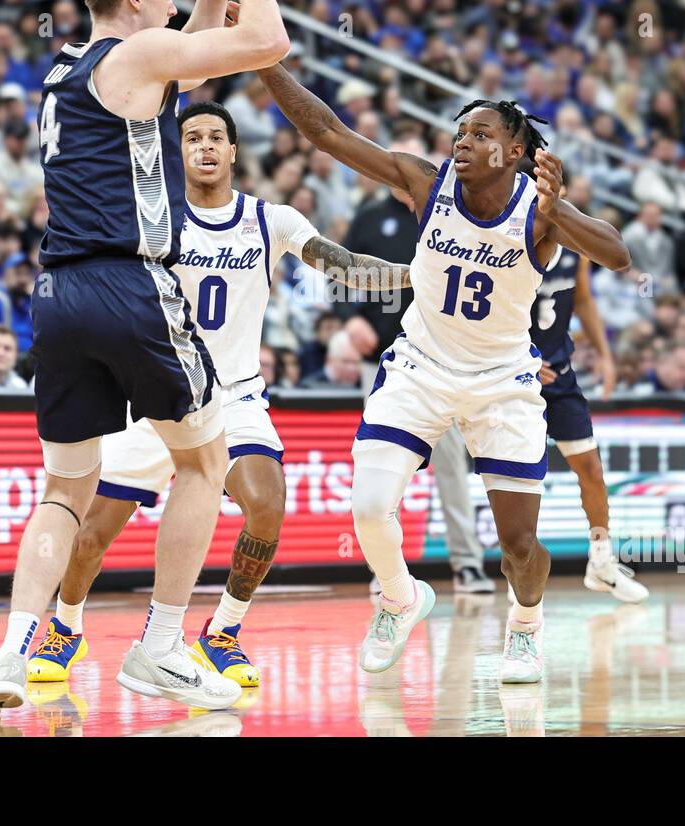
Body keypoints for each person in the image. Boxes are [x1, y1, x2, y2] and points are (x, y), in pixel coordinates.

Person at [0, 0, 292, 715]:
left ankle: (6, 655)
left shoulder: (70, 68)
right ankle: (162, 646)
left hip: (59, 295)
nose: (177, 2)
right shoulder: (135, 55)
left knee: (66, 490)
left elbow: (195, 64)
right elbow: (267, 41)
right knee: (204, 463)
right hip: (131, 282)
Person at [258, 55, 630, 685]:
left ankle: (525, 627)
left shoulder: (538, 212)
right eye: (461, 131)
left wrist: (560, 208)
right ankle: (401, 599)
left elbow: (618, 254)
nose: (464, 140)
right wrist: (265, 64)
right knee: (370, 506)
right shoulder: (426, 183)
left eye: (482, 134)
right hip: (420, 367)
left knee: (518, 549)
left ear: (514, 151)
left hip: (503, 382)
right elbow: (326, 132)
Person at [27, 101, 409, 689]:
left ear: (233, 151)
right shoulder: (149, 218)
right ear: (175, 153)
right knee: (92, 535)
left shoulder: (270, 219)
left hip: (233, 396)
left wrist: (417, 273)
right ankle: (67, 626)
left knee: (267, 502)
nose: (204, 146)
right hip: (153, 395)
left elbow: (347, 266)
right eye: (191, 137)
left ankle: (222, 632)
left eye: (215, 137)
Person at [534, 245, 649, 603]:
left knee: (591, 470)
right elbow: (487, 314)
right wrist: (520, 358)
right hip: (514, 380)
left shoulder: (575, 248)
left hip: (562, 378)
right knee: (523, 481)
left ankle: (600, 562)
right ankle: (519, 578)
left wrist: (604, 355)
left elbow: (582, 300)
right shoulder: (508, 241)